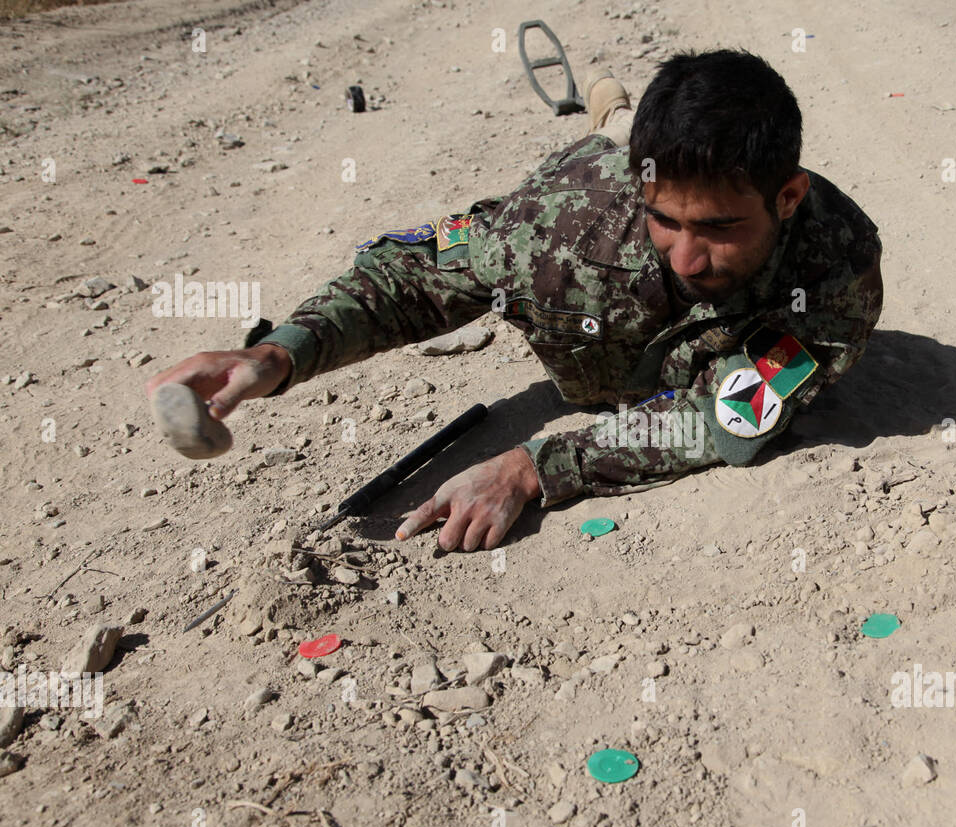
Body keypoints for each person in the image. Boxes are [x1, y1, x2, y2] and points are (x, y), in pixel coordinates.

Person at [145, 49, 884, 553]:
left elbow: (725, 423)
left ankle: (610, 110)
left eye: (721, 228)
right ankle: (609, 114)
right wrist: (280, 353)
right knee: (606, 141)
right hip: (591, 175)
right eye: (666, 221)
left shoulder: (836, 269)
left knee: (620, 139)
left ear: (787, 198)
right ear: (639, 195)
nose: (688, 257)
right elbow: (414, 276)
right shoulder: (557, 229)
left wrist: (532, 466)